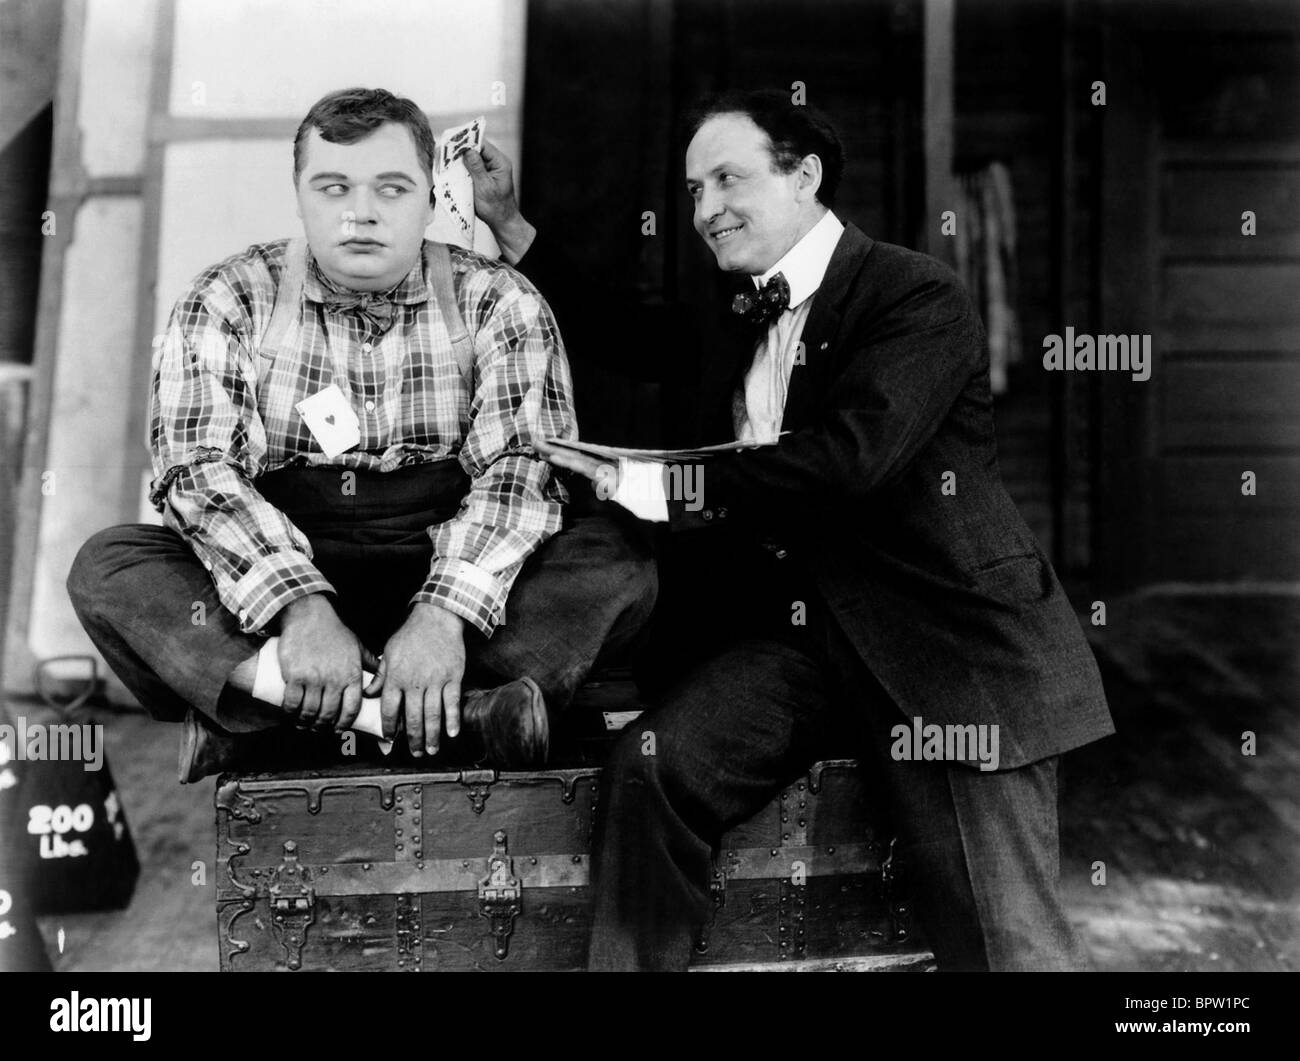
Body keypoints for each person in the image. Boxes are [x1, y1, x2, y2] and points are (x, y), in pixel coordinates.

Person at [467, 88, 1115, 971]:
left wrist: (660, 481)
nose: (705, 210)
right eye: (694, 190)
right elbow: (632, 332)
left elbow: (847, 461)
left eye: (728, 179)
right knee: (652, 765)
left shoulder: (914, 294)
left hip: (947, 650)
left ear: (805, 176)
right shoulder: (740, 307)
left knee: (1007, 949)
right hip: (809, 647)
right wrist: (509, 226)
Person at [66, 87, 655, 783]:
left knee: (618, 559)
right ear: (299, 195)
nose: (361, 212)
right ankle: (456, 719)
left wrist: (443, 617)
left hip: (451, 568)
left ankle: (277, 717)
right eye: (333, 186)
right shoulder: (227, 297)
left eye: (392, 187)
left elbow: (522, 473)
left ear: (432, 199)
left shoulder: (501, 301)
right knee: (109, 568)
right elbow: (196, 470)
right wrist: (300, 607)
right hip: (286, 564)